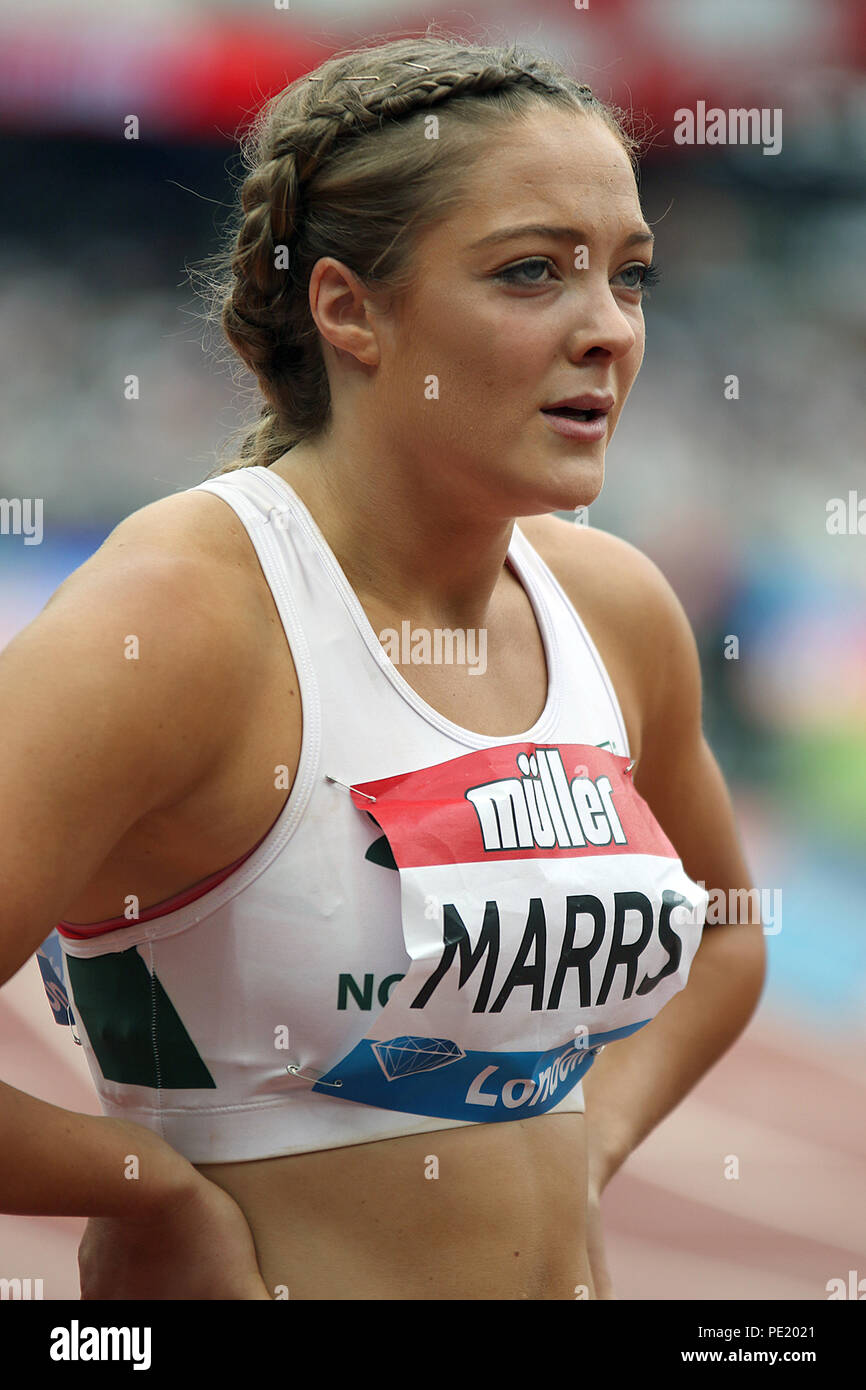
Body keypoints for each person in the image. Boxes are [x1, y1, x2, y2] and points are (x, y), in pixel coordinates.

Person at [0, 34, 766, 1301]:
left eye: (629, 277)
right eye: (531, 273)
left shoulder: (612, 605)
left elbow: (732, 932)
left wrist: (590, 1147)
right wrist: (141, 1183)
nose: (607, 333)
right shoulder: (183, 616)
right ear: (348, 307)